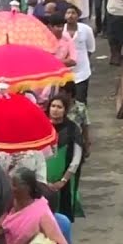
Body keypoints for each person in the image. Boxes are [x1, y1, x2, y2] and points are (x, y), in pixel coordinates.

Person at [3, 168, 71, 244]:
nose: (11, 188)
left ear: (27, 187)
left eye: (15, 185)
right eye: (10, 183)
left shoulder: (40, 211)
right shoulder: (8, 204)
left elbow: (57, 242)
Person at [45, 94, 84, 222]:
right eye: (53, 106)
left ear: (65, 110)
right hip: (43, 180)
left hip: (65, 180)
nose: (55, 110)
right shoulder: (41, 126)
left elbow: (76, 158)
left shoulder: (72, 129)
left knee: (63, 216)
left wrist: (63, 181)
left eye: (59, 107)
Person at [62, 5, 95, 101]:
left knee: (81, 100)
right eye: (68, 13)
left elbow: (90, 48)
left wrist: (82, 61)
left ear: (78, 15)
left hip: (82, 72)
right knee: (65, 99)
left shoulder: (86, 30)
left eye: (73, 13)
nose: (70, 16)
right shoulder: (61, 31)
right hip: (64, 73)